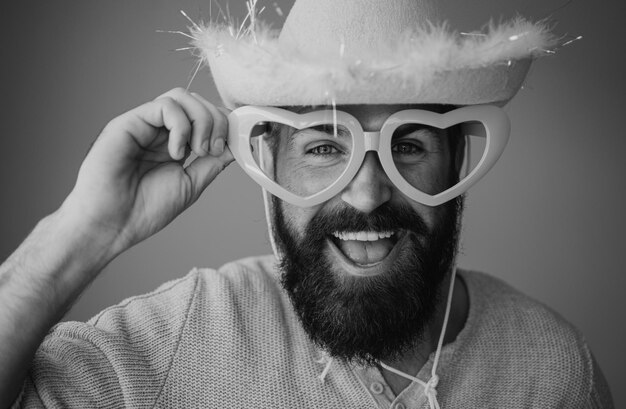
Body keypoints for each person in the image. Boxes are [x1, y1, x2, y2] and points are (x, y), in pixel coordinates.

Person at [0, 0, 614, 408]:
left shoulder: (551, 368)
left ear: (457, 162)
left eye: (408, 145)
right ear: (270, 167)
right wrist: (85, 230)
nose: (368, 193)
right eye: (325, 147)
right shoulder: (188, 335)